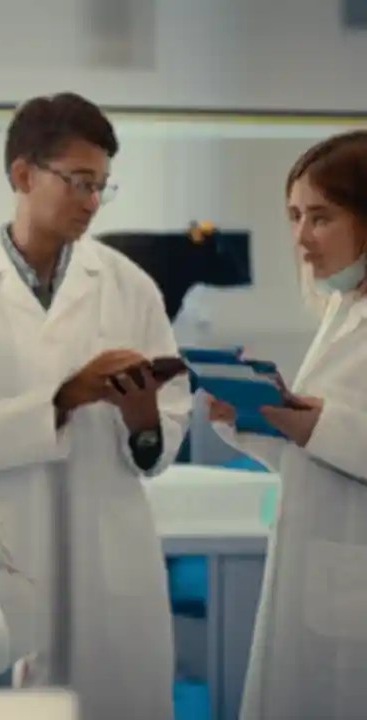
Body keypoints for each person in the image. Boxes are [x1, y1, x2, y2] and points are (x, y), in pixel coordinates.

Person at [0, 93, 190, 719]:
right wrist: (62, 400)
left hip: (110, 546)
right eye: (79, 182)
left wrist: (142, 417)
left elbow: (163, 431)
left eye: (102, 187)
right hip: (4, 542)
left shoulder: (129, 286)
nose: (91, 201)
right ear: (22, 174)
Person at [207, 131, 367, 719]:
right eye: (295, 216)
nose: (300, 238)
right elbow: (319, 459)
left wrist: (316, 425)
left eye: (320, 217)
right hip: (319, 572)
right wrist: (249, 423)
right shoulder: (344, 310)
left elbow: (338, 436)